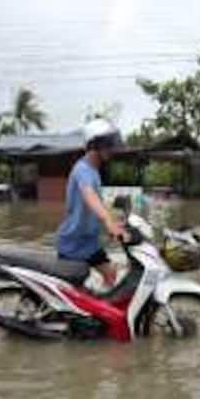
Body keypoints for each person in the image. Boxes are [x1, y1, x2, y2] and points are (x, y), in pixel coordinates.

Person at [56, 119, 126, 289]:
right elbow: (90, 197)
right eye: (108, 145)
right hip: (73, 245)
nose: (112, 149)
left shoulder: (94, 170)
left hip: (89, 243)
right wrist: (108, 221)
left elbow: (97, 204)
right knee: (73, 295)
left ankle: (101, 314)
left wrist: (115, 222)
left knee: (110, 273)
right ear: (95, 145)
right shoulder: (82, 170)